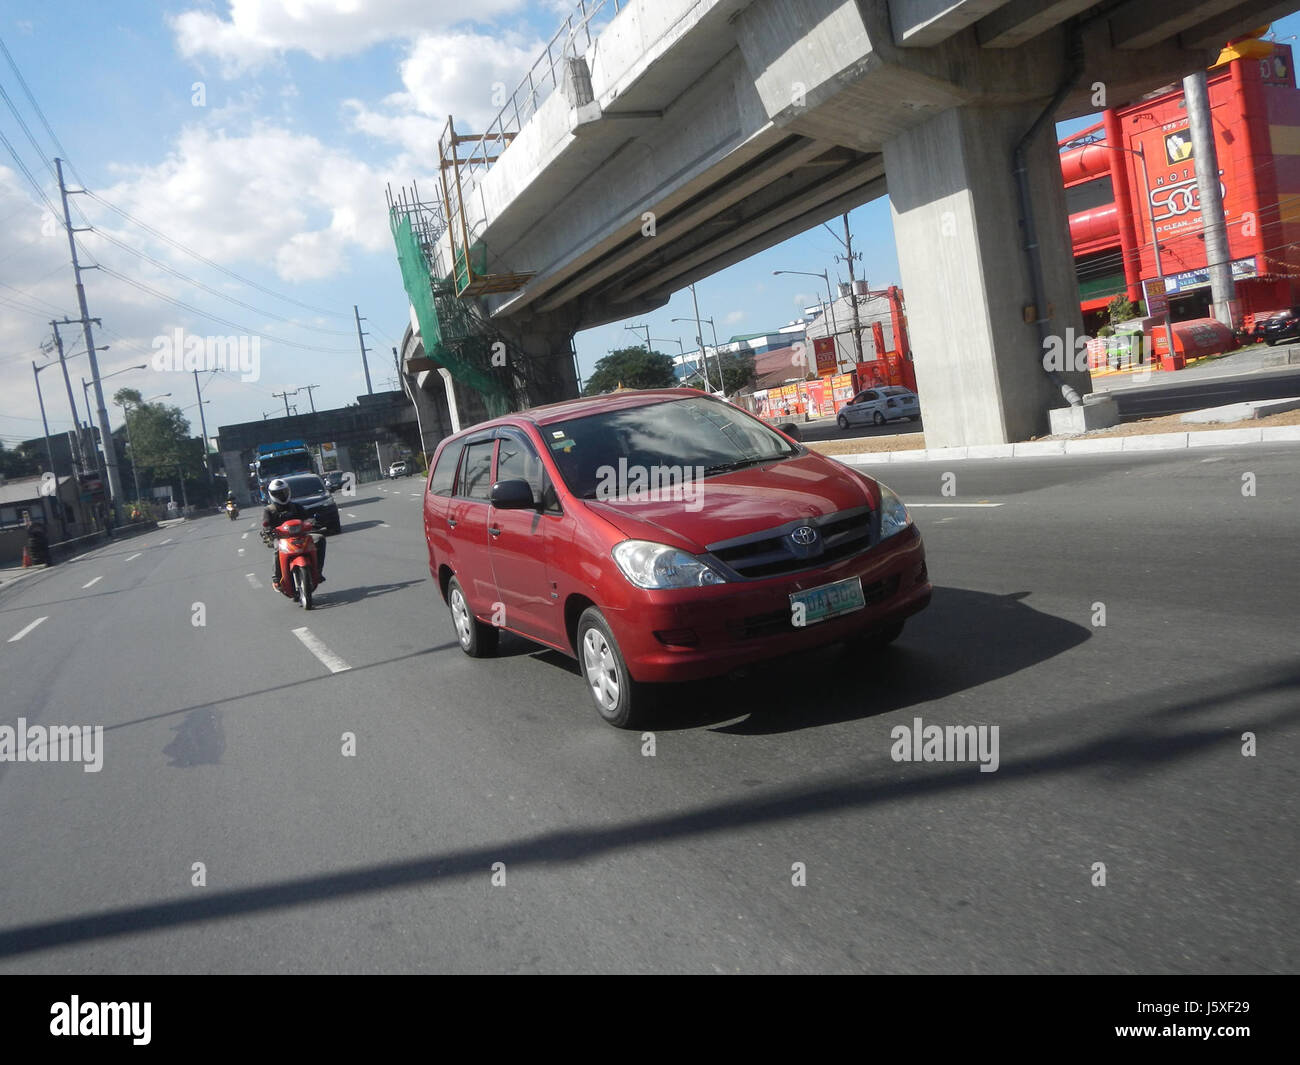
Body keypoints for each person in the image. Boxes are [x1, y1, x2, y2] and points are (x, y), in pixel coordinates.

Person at [260, 478, 325, 586]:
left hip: (301, 537)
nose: (282, 495)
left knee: (320, 539)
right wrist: (268, 530)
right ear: (272, 494)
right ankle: (276, 578)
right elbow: (266, 524)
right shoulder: (269, 510)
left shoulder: (296, 507)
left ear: (288, 491)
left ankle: (317, 571)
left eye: (284, 492)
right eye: (278, 493)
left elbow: (307, 518)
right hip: (281, 539)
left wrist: (313, 522)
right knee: (277, 549)